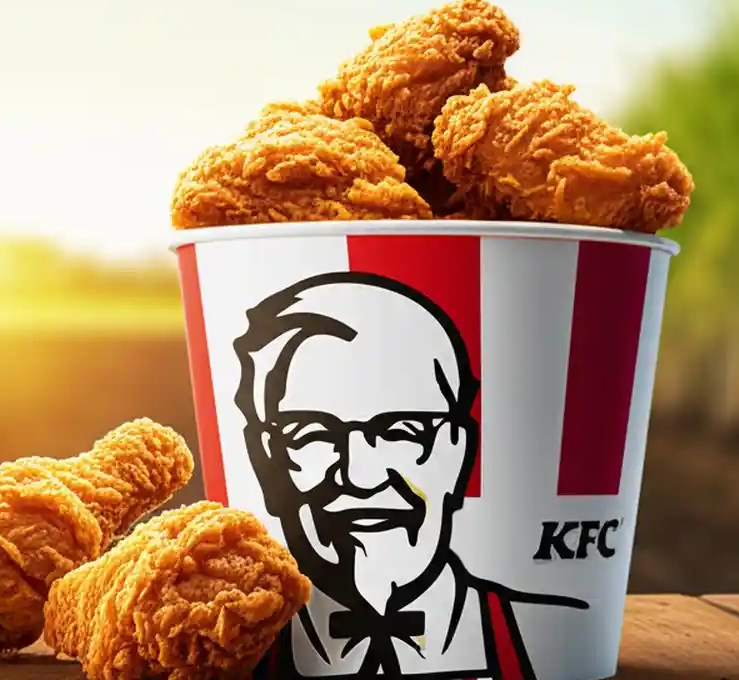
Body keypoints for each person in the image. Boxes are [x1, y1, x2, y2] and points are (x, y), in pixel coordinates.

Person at [235, 272, 587, 679]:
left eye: (400, 431)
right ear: (262, 460)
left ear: (458, 452)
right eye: (312, 434)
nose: (361, 476)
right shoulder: (220, 651)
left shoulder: (558, 636)